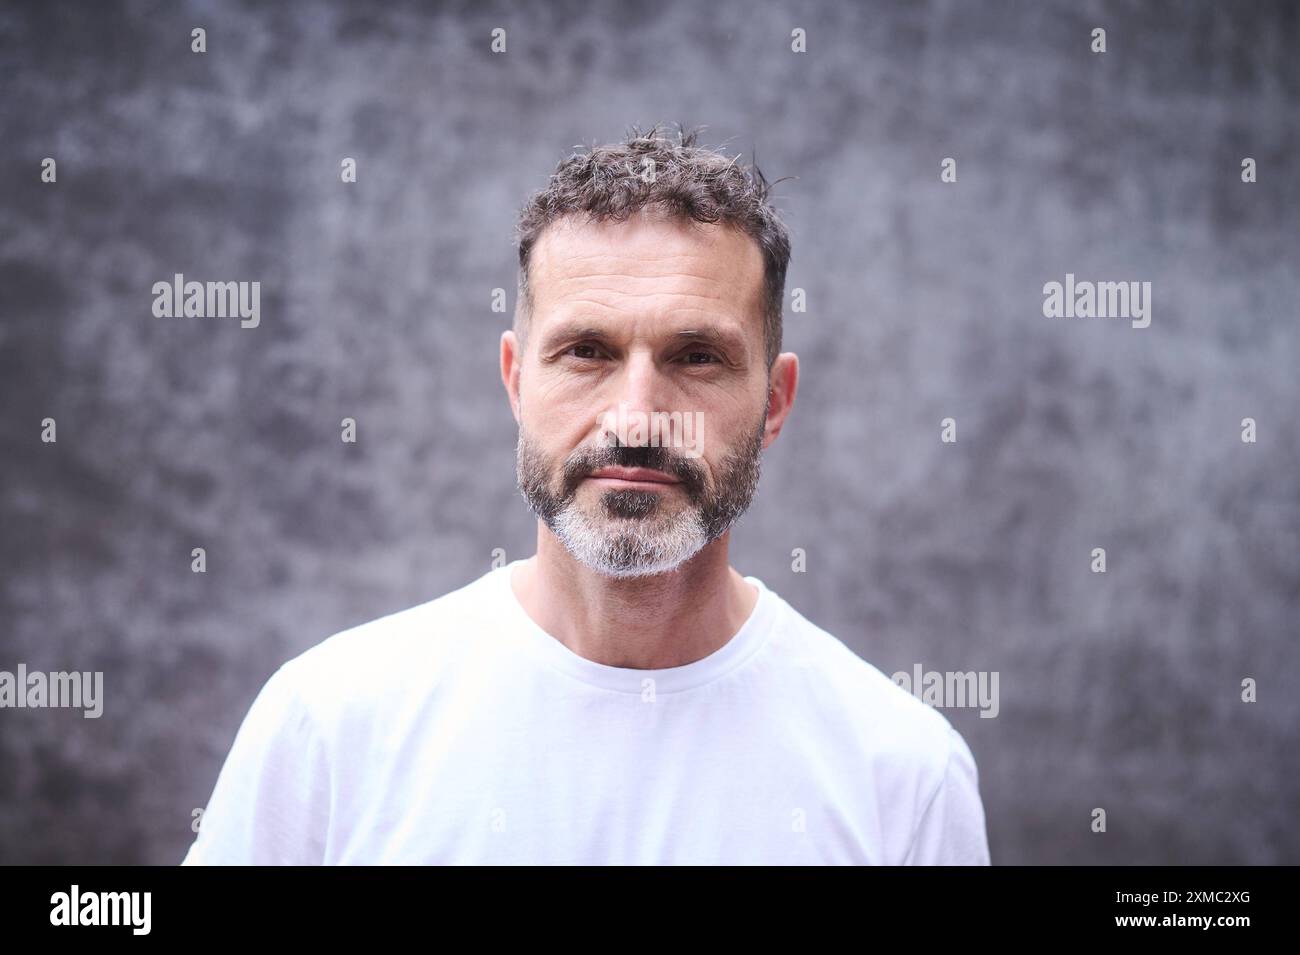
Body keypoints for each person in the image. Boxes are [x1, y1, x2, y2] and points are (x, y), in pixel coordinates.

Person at [181, 124, 991, 865]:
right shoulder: (327, 729)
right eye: (587, 351)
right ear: (515, 380)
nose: (635, 419)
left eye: (697, 356)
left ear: (775, 401)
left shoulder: (903, 776)